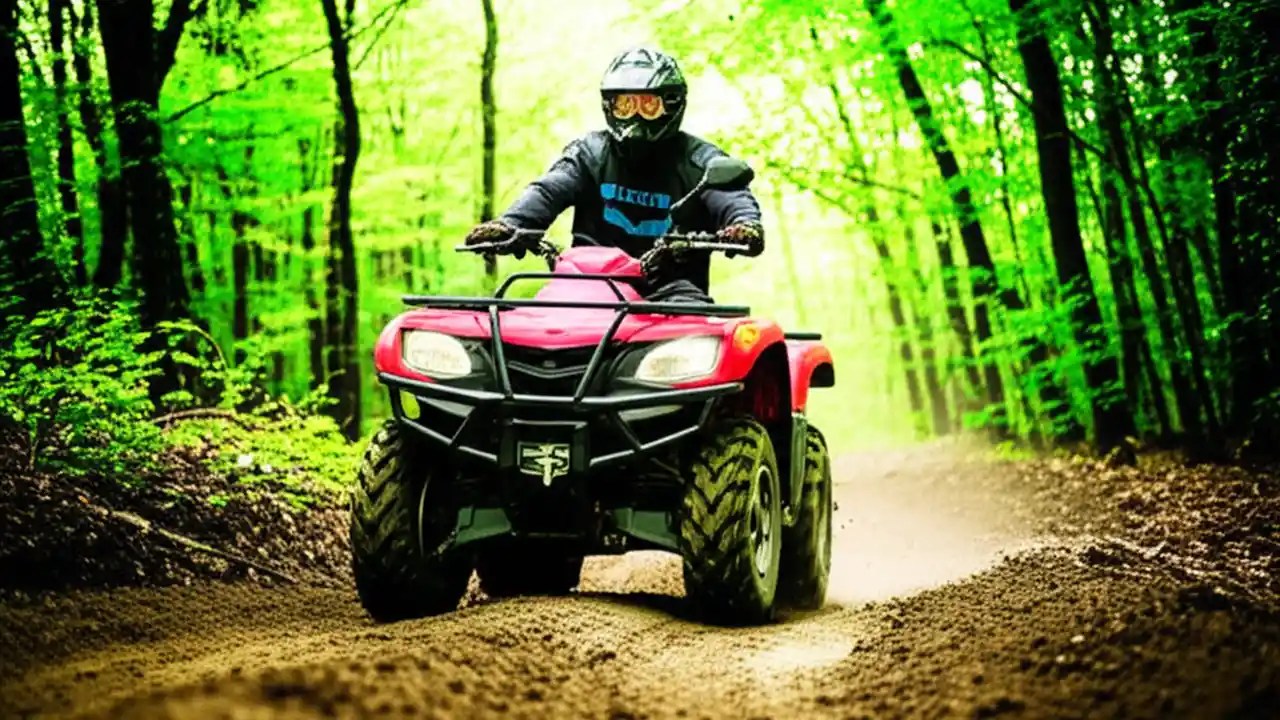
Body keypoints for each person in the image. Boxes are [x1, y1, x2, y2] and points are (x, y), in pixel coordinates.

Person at [464, 46, 764, 301]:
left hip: (673, 292)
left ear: (671, 106)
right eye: (625, 105)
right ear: (610, 107)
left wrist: (743, 225)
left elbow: (731, 195)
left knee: (700, 346)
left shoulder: (700, 160)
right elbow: (549, 189)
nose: (635, 116)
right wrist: (511, 225)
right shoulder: (589, 154)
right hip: (586, 288)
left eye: (648, 105)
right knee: (531, 329)